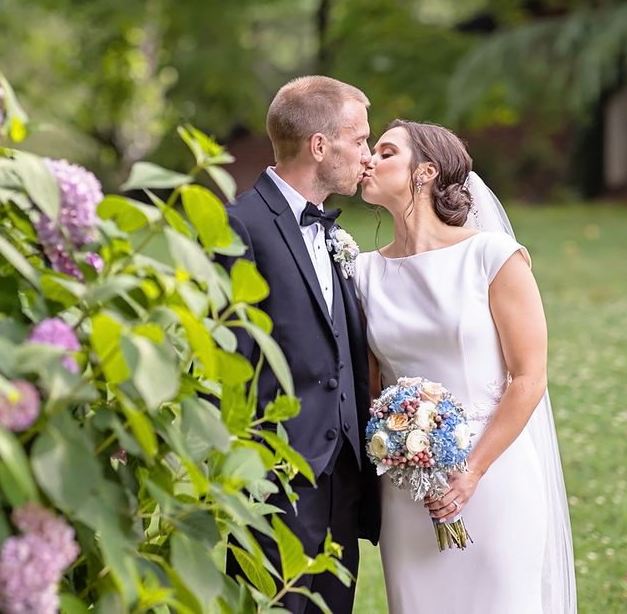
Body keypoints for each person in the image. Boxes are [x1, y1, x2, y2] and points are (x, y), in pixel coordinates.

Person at [354, 120, 576, 613]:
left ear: (425, 172)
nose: (369, 159)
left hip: (493, 474)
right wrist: (396, 444)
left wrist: (471, 473)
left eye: (386, 152)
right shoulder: (364, 273)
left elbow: (529, 376)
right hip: (406, 485)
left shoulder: (491, 257)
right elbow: (369, 387)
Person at [223, 75, 381, 613]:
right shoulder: (240, 226)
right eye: (359, 140)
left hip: (342, 478)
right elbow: (228, 362)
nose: (367, 154)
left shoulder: (333, 234)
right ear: (319, 146)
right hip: (276, 484)